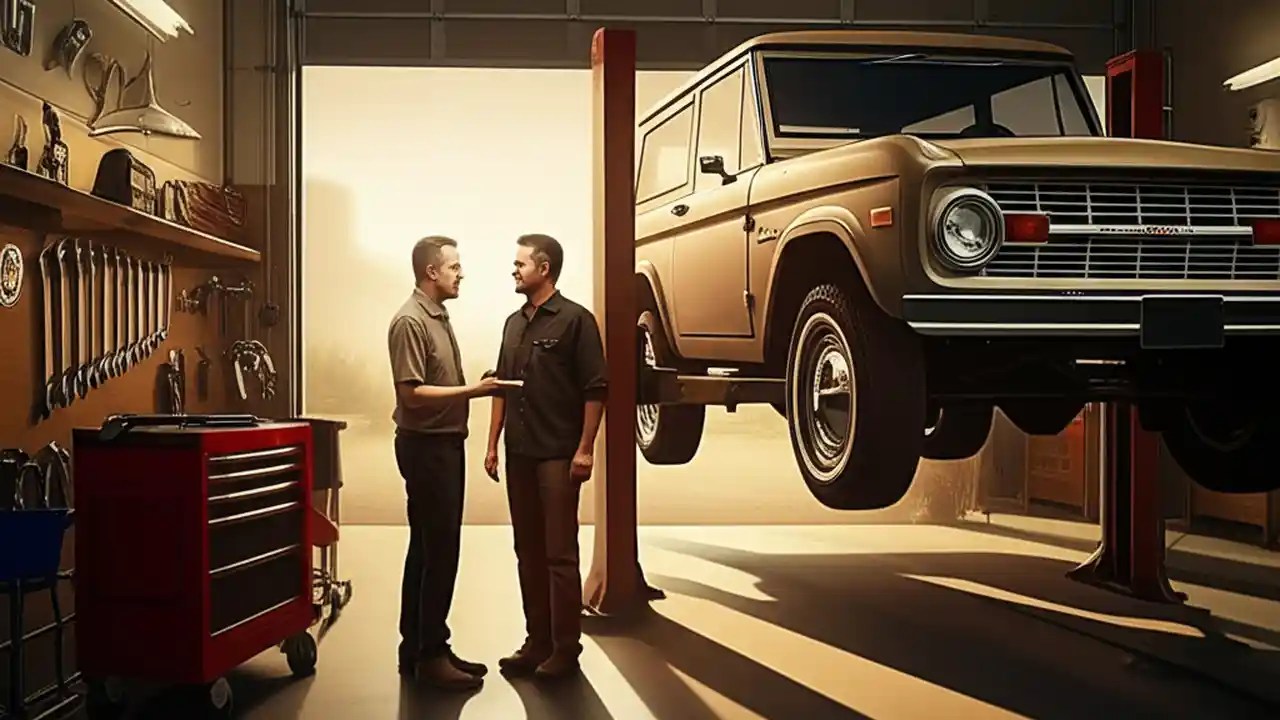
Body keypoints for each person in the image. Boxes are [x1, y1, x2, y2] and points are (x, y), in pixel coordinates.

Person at [485, 233, 607, 680]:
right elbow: (501, 384)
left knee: (559, 553)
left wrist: (585, 449)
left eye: (520, 264)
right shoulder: (513, 324)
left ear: (545, 268)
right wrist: (491, 444)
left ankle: (565, 648)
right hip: (519, 455)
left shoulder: (577, 321)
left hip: (558, 455)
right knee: (527, 551)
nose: (514, 270)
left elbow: (596, 389)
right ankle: (535, 642)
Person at [387, 235, 501, 690]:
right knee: (440, 551)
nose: (460, 273)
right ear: (431, 272)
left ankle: (419, 648)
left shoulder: (436, 315)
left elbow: (432, 382)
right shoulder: (410, 321)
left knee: (428, 549)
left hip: (441, 445)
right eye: (454, 266)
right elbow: (410, 395)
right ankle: (429, 654)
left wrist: (472, 385)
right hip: (427, 448)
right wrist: (473, 393)